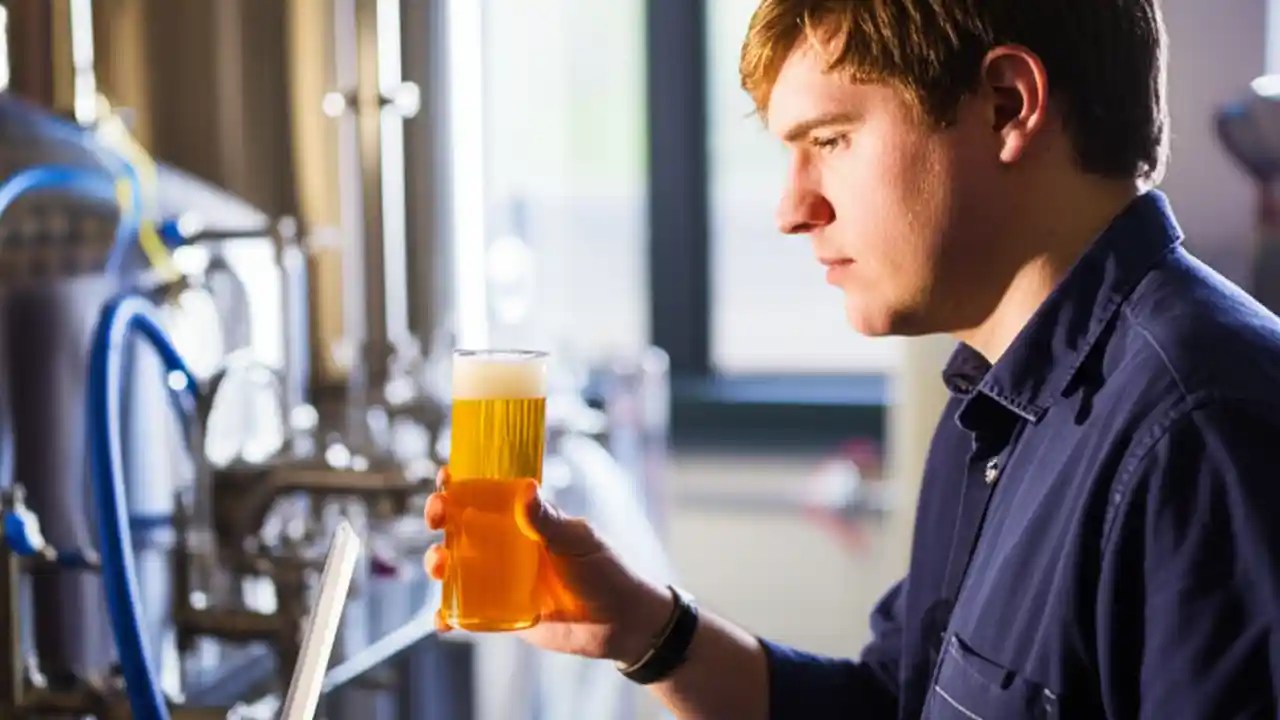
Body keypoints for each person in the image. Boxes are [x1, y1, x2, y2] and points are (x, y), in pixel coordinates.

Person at [425, 0, 1280, 717]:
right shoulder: (995, 397)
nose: (791, 209)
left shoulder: (1203, 432)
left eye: (829, 139)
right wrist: (647, 630)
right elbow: (892, 703)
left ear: (1007, 105)